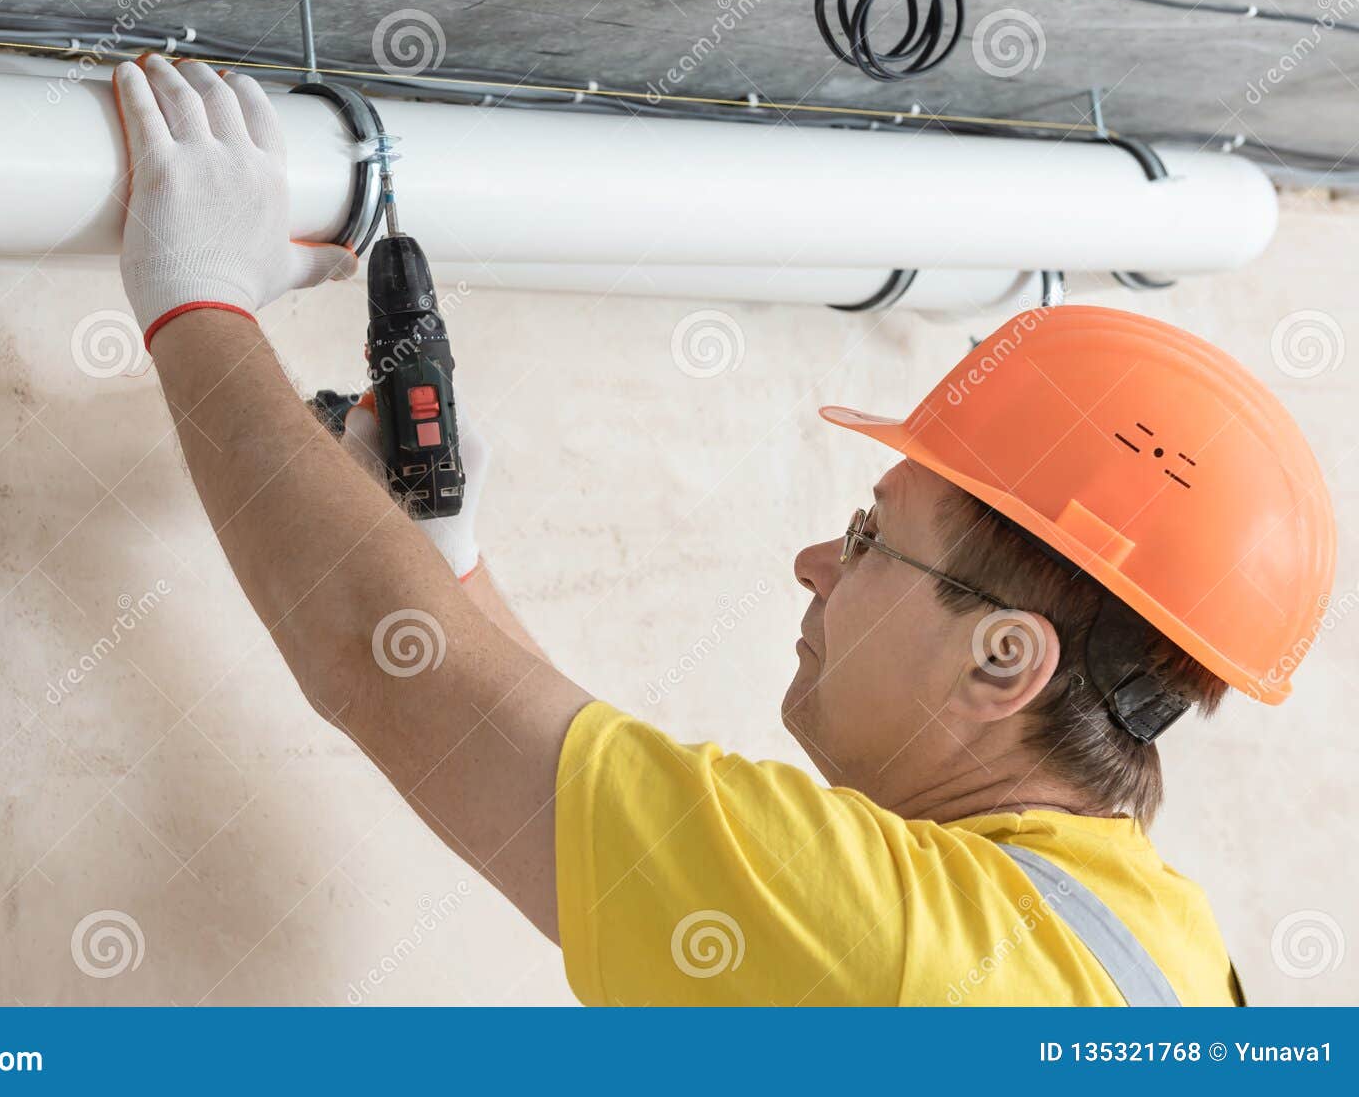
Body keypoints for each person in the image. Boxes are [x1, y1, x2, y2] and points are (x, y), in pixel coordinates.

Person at [108, 53, 1335, 1005]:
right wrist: (449, 557)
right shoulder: (1149, 945)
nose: (814, 561)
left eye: (868, 538)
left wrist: (196, 299)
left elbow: (382, 662)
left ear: (1002, 659)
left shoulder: (892, 948)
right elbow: (529, 742)